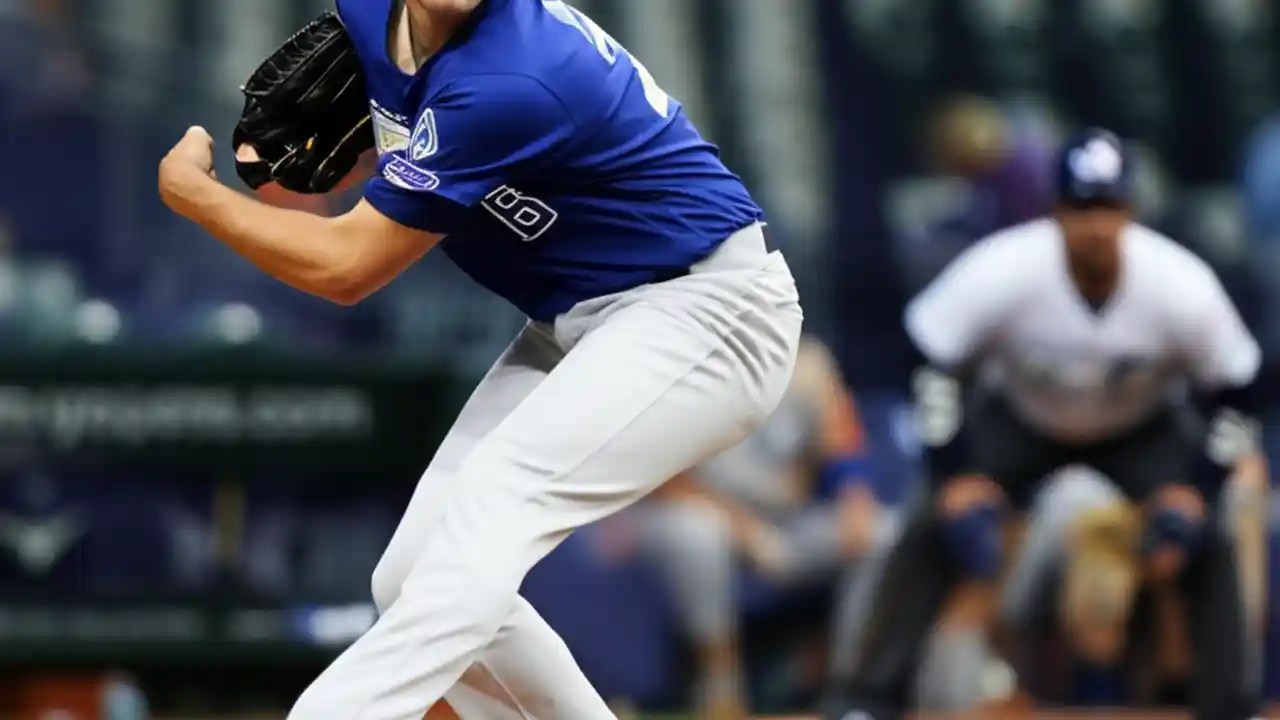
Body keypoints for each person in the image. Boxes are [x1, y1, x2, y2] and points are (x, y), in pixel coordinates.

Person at [156, 1, 804, 718]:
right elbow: (340, 170)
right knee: (413, 576)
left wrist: (198, 197)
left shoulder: (516, 75)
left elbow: (346, 267)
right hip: (589, 314)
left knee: (493, 510)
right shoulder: (369, 15)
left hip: (709, 309)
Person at [825, 129, 1267, 720]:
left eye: (1108, 207)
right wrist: (955, 472)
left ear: (1130, 213)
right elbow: (926, 357)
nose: (1096, 226)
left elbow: (1238, 388)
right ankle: (866, 700)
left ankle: (1230, 707)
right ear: (1056, 211)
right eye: (1082, 208)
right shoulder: (1008, 266)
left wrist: (1197, 486)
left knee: (1210, 533)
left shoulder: (1176, 282)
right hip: (1022, 419)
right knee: (932, 521)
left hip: (1140, 425)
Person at [640, 336, 886, 719]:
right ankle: (720, 684)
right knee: (694, 534)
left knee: (882, 533)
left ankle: (851, 686)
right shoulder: (682, 356)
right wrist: (746, 531)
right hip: (707, 513)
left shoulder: (807, 361)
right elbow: (663, 477)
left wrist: (855, 498)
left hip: (788, 522)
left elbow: (841, 442)